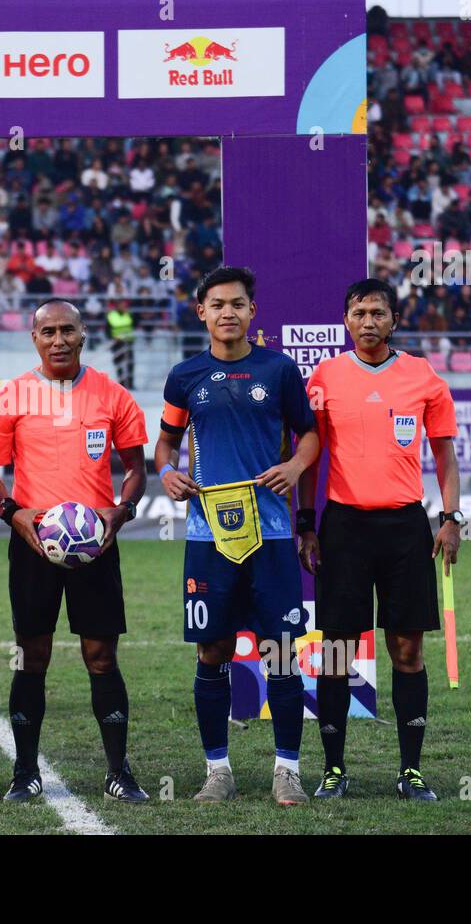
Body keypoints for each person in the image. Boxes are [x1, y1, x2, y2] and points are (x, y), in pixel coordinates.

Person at [154, 267, 320, 805]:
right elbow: (166, 443)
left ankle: (287, 771)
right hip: (208, 536)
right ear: (201, 311)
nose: (228, 313)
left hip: (270, 533)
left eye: (238, 304)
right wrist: (168, 472)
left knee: (280, 651)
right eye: (217, 304)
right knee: (212, 650)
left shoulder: (279, 369)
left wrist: (295, 467)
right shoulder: (185, 376)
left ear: (253, 312)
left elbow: (311, 435)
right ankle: (218, 772)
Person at [297, 278, 463, 803]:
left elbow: (445, 455)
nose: (368, 321)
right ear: (346, 320)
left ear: (394, 319)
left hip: (405, 527)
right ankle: (333, 771)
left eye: (378, 312)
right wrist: (306, 522)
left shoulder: (423, 377)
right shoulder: (324, 377)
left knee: (407, 649)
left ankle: (410, 772)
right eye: (359, 312)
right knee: (338, 652)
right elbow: (310, 455)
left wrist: (451, 517)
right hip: (344, 528)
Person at [0, 299, 150, 803]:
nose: (58, 339)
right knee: (32, 656)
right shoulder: (12, 397)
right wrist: (13, 512)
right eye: (48, 331)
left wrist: (122, 511)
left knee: (101, 656)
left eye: (67, 330)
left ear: (83, 335)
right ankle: (25, 771)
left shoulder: (112, 395)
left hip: (95, 543)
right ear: (34, 338)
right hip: (33, 543)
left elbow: (136, 469)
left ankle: (119, 771)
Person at [106, 299, 135, 389]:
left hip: (128, 343)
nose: (123, 307)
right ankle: (121, 384)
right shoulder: (111, 316)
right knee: (119, 364)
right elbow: (107, 330)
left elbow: (135, 324)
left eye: (124, 305)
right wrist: (112, 337)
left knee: (130, 364)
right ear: (117, 306)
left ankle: (130, 384)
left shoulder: (129, 314)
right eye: (121, 305)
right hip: (117, 343)